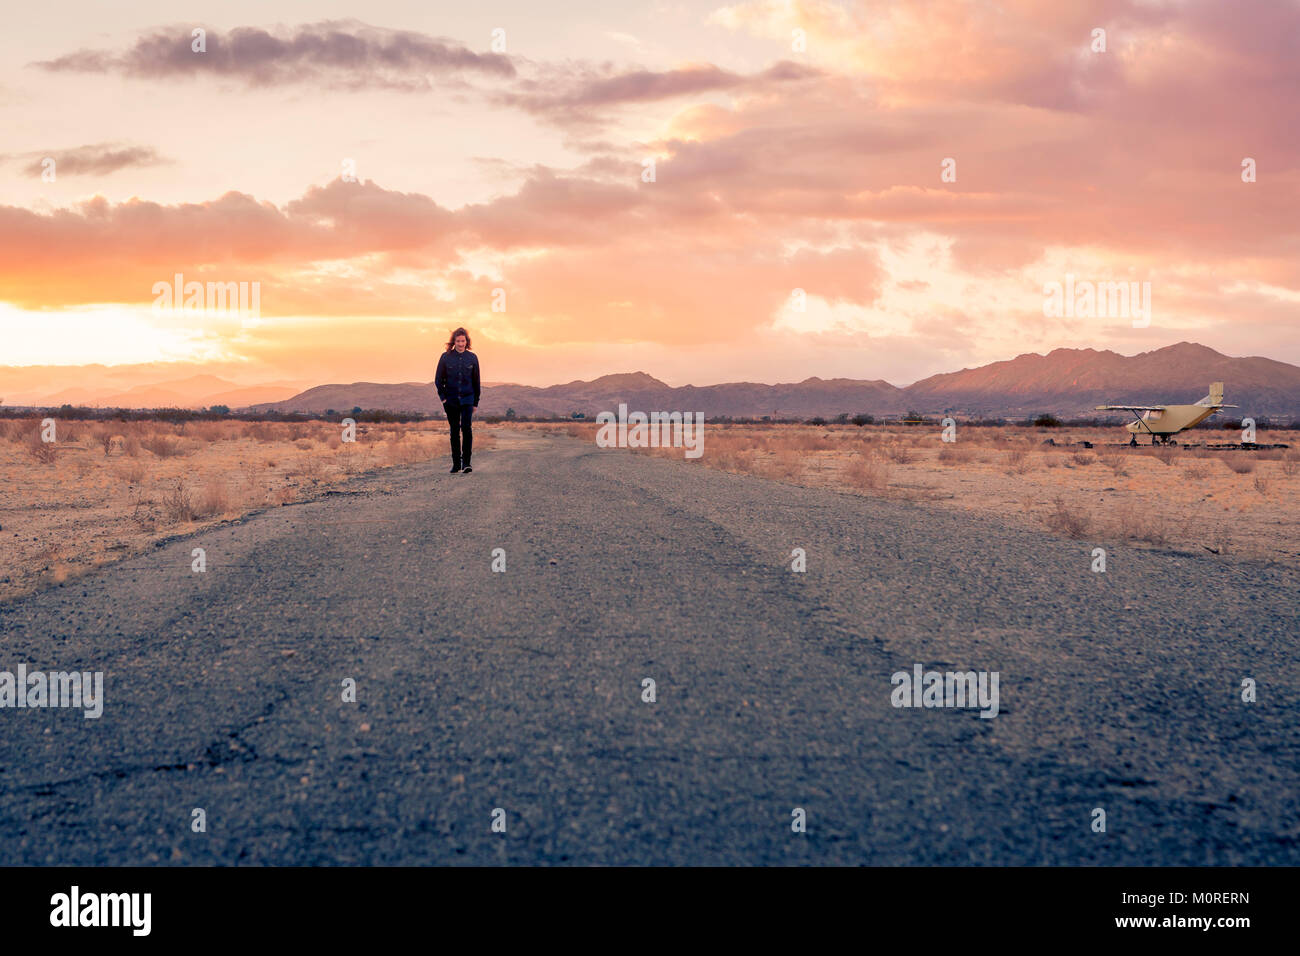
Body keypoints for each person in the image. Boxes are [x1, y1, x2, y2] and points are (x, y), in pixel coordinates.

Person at [435, 327, 481, 473]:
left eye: (463, 341)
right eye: (458, 341)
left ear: (467, 342)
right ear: (454, 342)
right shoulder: (445, 357)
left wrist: (475, 403)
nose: (461, 344)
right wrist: (443, 399)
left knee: (466, 429)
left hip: (468, 399)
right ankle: (456, 463)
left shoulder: (472, 358)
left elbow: (476, 382)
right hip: (451, 400)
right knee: (454, 431)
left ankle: (466, 463)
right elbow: (438, 380)